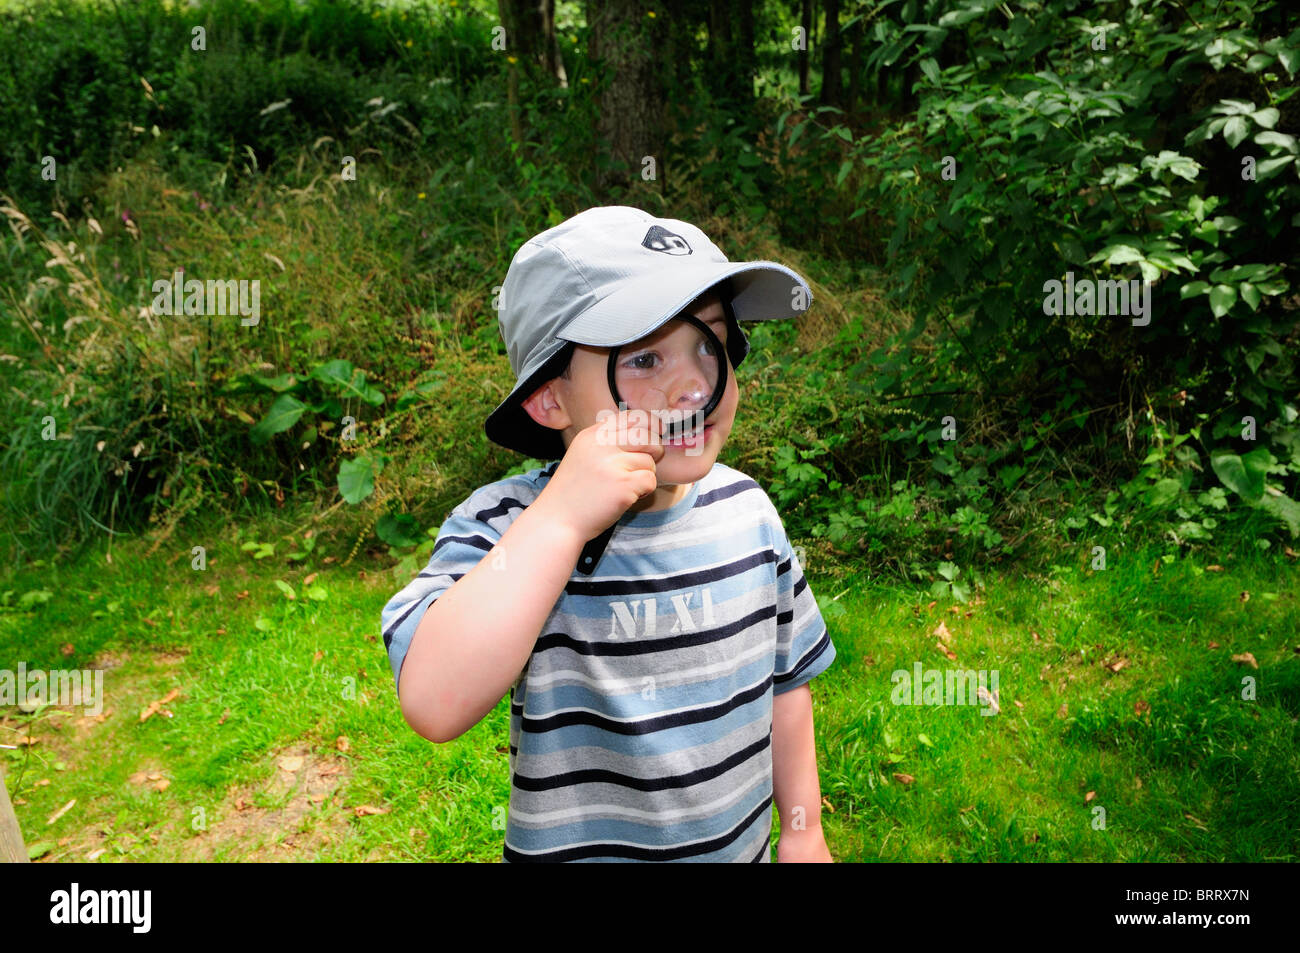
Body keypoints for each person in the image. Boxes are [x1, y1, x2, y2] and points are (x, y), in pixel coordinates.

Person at [380, 206, 836, 862]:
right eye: (645, 356)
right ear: (548, 399)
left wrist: (802, 829)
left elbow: (786, 682)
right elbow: (433, 700)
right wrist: (561, 521)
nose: (689, 385)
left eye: (708, 343)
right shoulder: (510, 528)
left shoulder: (750, 512)